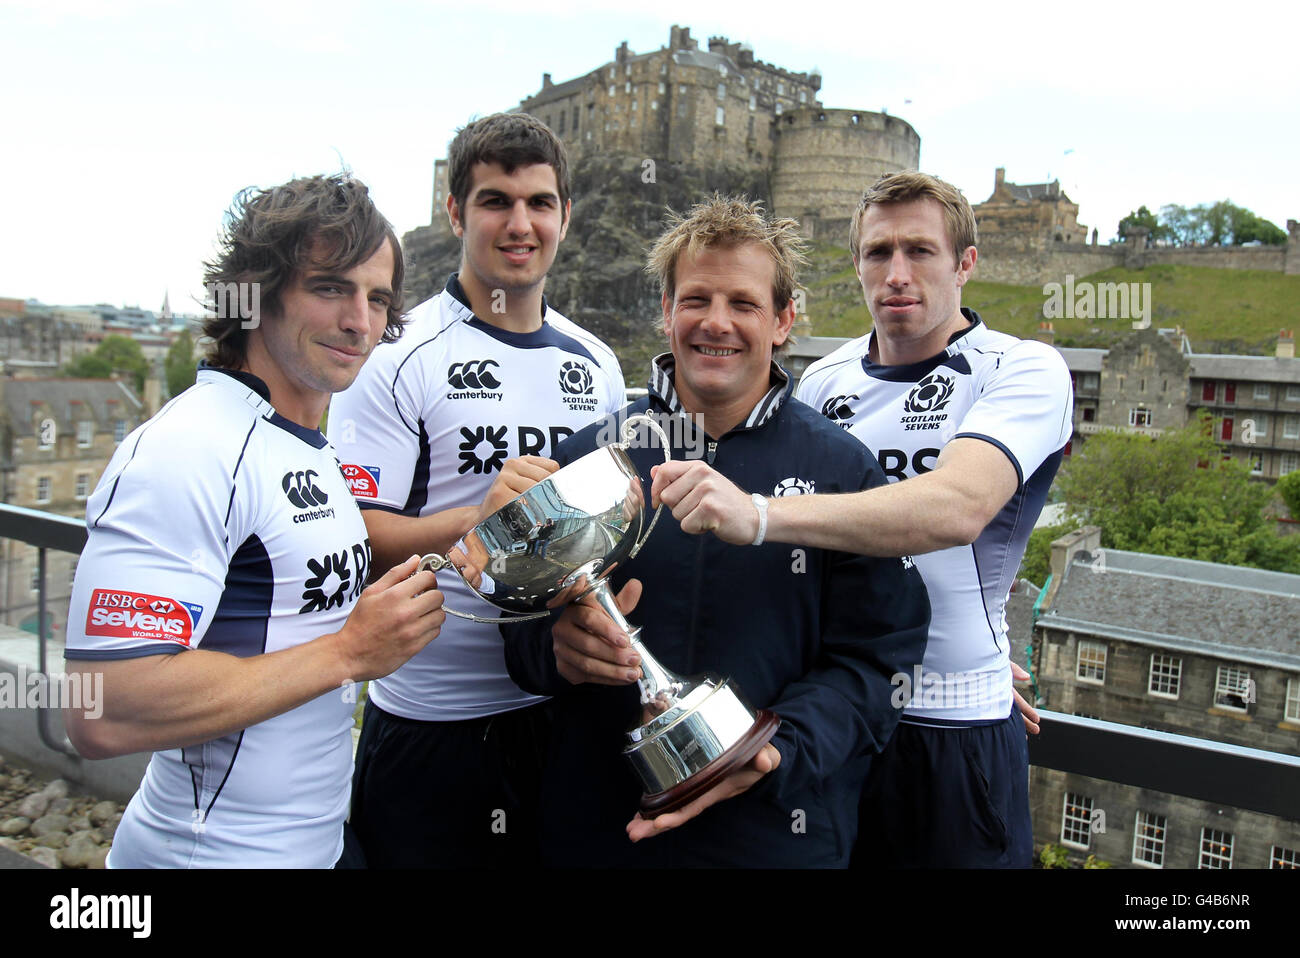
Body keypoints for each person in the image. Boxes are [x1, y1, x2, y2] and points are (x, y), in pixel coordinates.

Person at [649, 172, 1074, 867]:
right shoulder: (824, 380)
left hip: (952, 722)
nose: (897, 274)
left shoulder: (1023, 369)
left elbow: (956, 508)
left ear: (965, 263)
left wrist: (755, 513)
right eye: (878, 253)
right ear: (856, 266)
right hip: (833, 720)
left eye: (920, 251)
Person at [501, 195, 930, 867]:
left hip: (776, 835)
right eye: (696, 299)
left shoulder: (841, 469)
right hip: (598, 832)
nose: (716, 323)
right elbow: (519, 628)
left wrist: (776, 750)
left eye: (745, 303)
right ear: (667, 313)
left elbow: (880, 657)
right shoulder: (591, 456)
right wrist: (551, 650)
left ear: (784, 320)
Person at [62, 173, 448, 868]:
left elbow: (281, 613)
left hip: (318, 844)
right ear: (258, 290)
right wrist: (350, 653)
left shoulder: (307, 444)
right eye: (331, 287)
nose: (361, 321)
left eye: (378, 297)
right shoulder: (190, 447)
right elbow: (102, 708)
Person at [327, 113, 625, 867]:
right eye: (495, 201)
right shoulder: (397, 356)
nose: (519, 224)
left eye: (539, 203)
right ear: (455, 212)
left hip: (564, 707)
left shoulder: (597, 363)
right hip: (435, 723)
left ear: (564, 215)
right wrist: (481, 521)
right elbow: (353, 533)